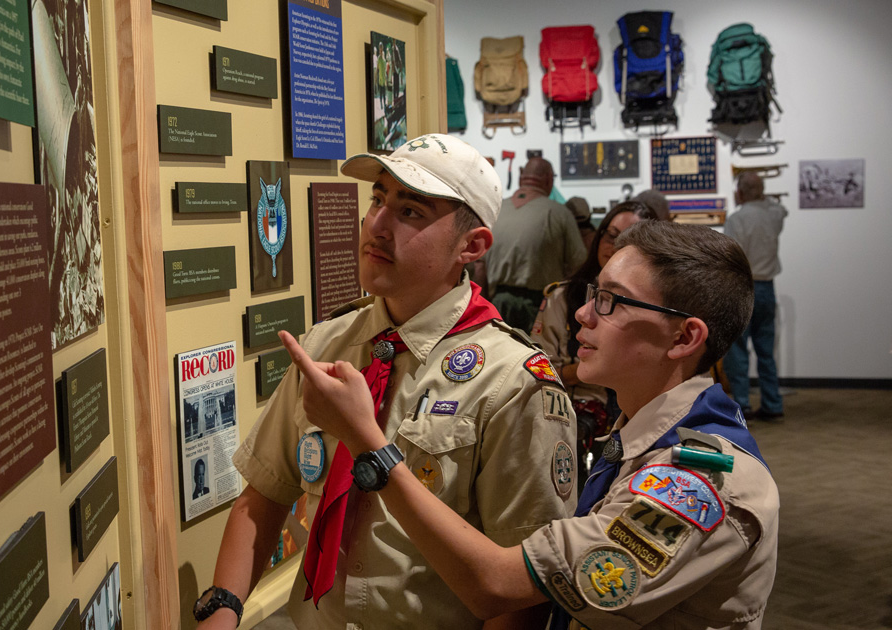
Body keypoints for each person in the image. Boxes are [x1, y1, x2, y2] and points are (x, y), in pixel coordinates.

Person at [282, 220, 779, 629]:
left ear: (684, 337)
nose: (584, 313)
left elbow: (495, 585)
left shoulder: (697, 482)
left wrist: (369, 445)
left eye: (612, 301)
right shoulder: (637, 441)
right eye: (592, 292)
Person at [195, 134, 577, 630]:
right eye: (377, 200)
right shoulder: (325, 345)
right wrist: (221, 610)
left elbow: (521, 590)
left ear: (472, 245)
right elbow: (266, 491)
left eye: (411, 212)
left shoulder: (511, 382)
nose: (376, 225)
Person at [531, 201, 659, 490]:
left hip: (641, 417)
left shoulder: (660, 309)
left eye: (630, 239)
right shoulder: (564, 297)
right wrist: (597, 366)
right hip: (580, 415)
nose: (615, 247)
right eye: (611, 235)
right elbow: (539, 370)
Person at [482, 157, 586, 330]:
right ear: (548, 180)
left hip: (498, 303)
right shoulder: (559, 213)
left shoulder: (496, 210)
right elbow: (579, 264)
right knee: (537, 355)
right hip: (541, 304)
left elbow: (479, 267)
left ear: (521, 176)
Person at [723, 172, 788, 420]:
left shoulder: (738, 219)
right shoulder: (773, 215)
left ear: (740, 192)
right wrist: (764, 196)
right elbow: (781, 209)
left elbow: (732, 257)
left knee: (738, 351)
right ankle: (772, 403)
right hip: (767, 288)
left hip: (743, 286)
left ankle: (742, 405)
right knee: (766, 351)